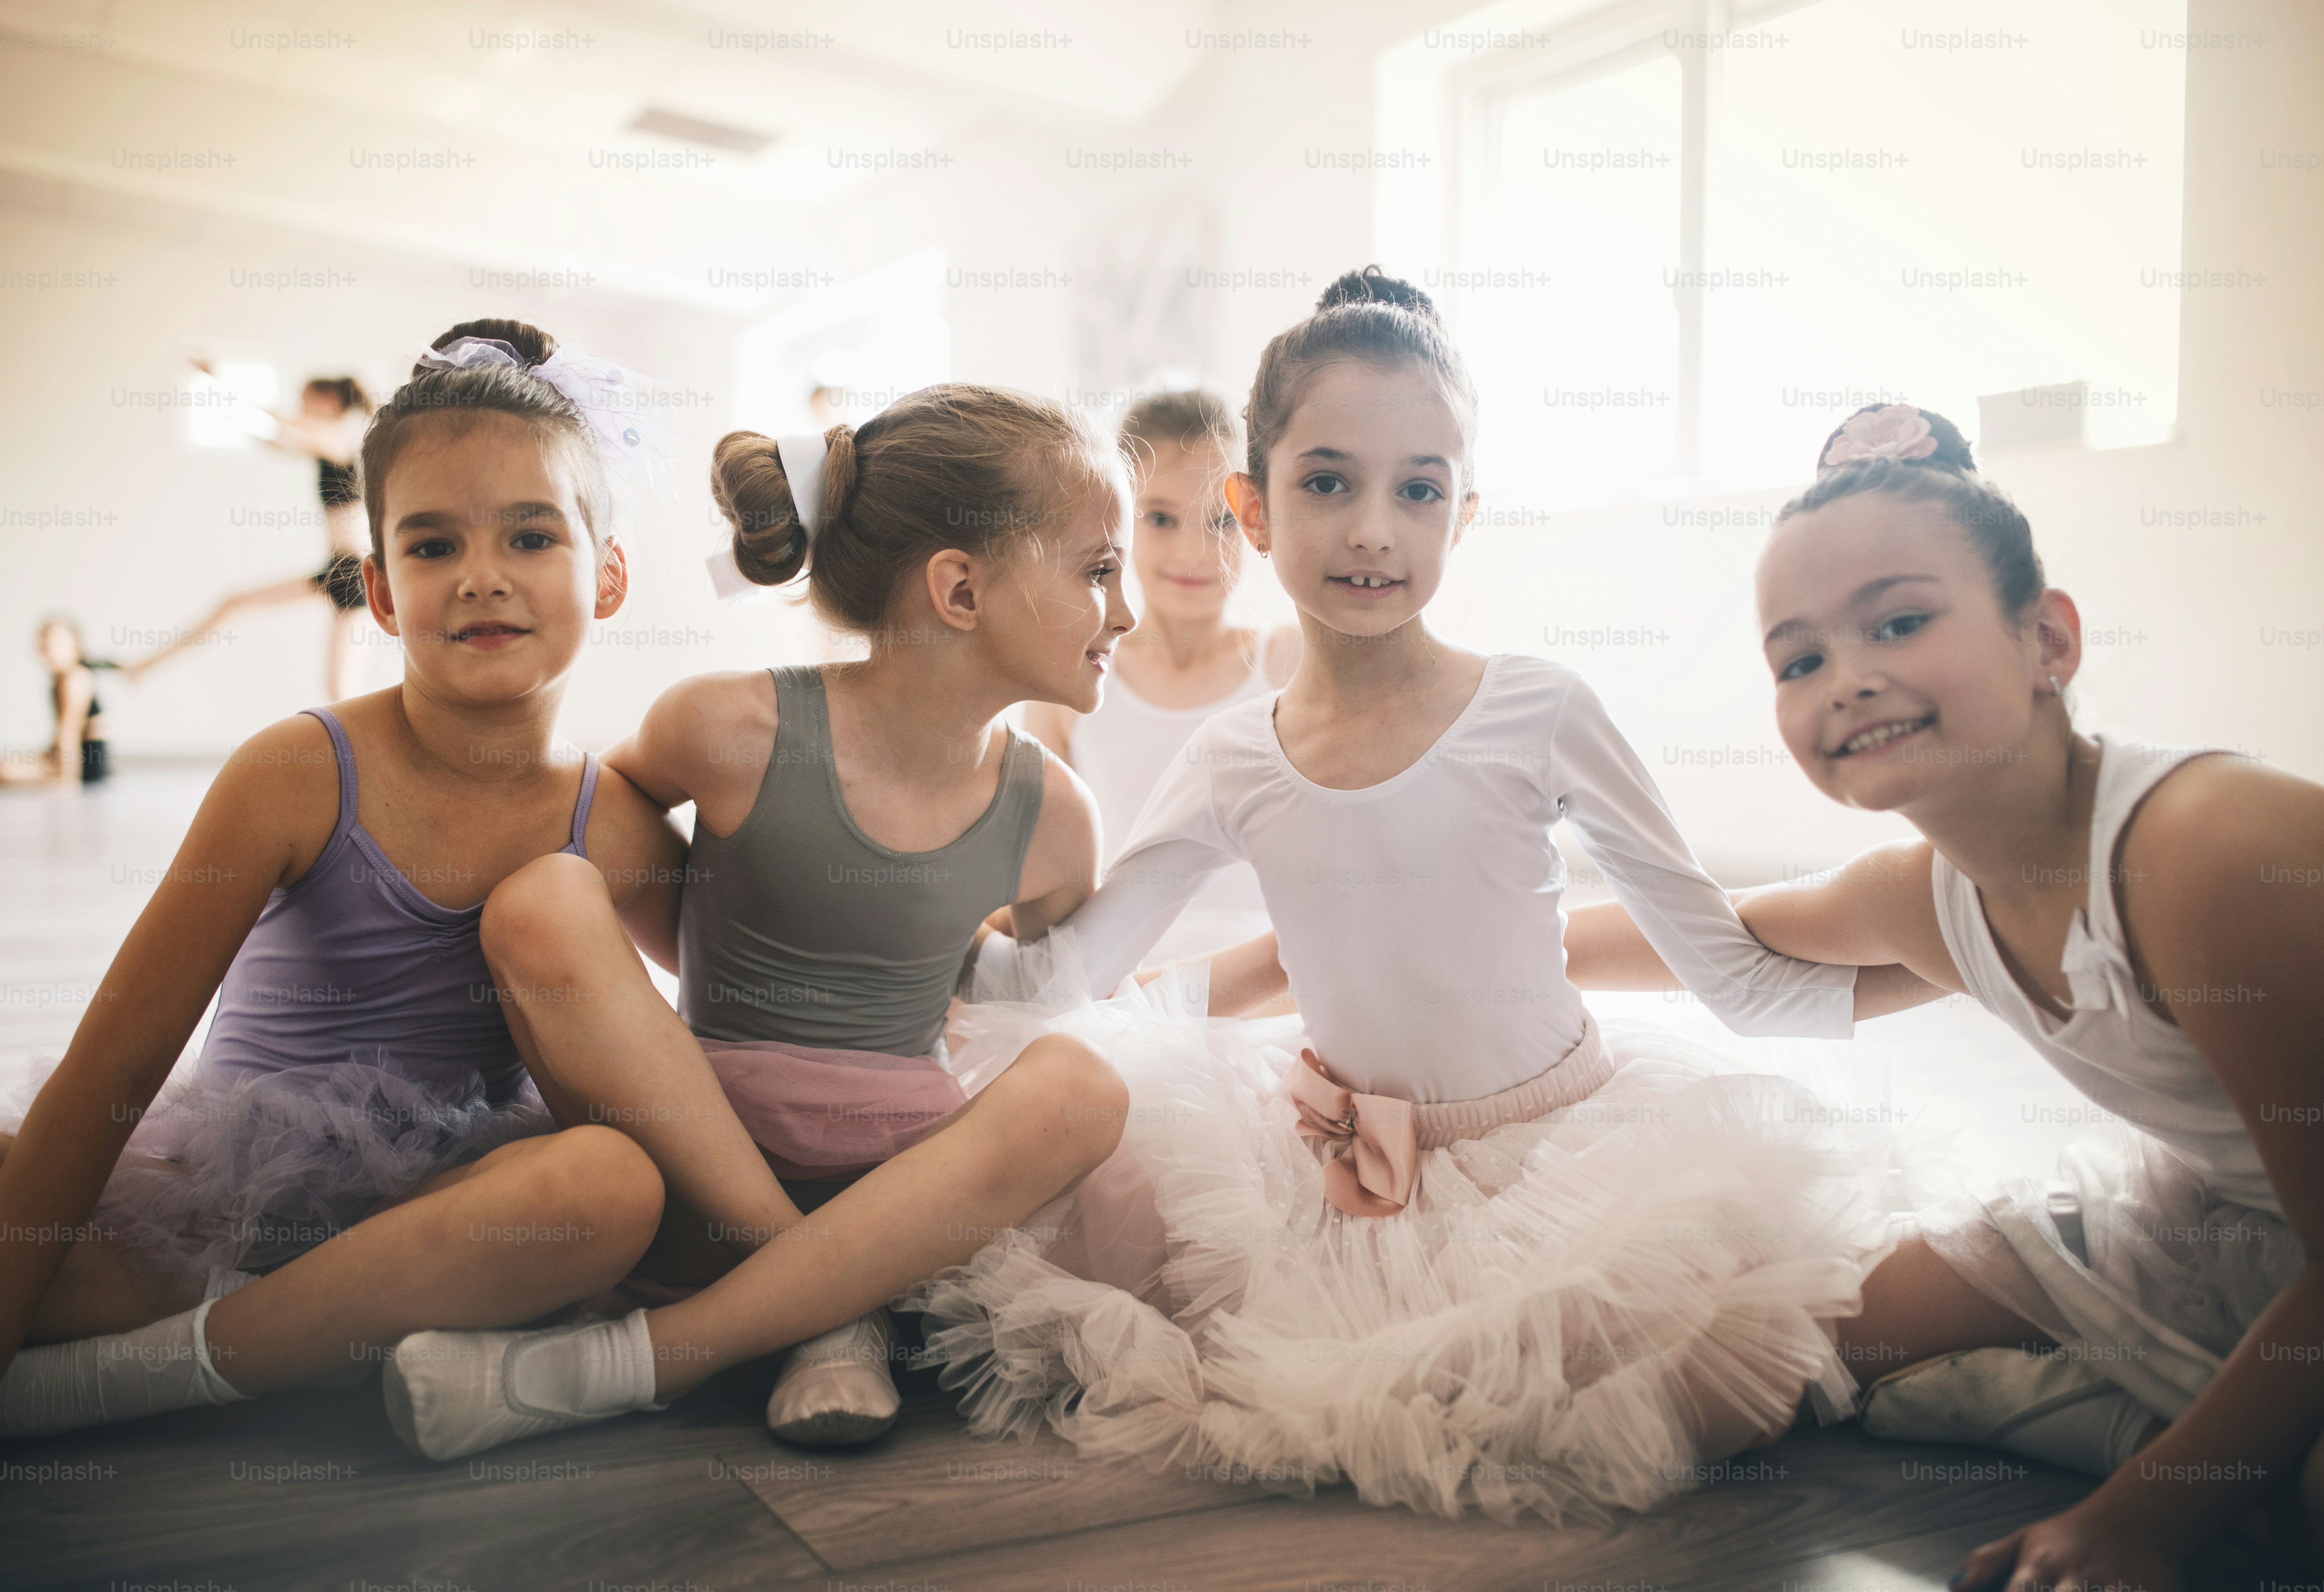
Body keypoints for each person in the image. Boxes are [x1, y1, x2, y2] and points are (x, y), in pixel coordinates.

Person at [933, 268, 1932, 1526]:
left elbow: (1732, 976)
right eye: (1329, 482)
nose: (1372, 533)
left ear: (1466, 514)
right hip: (1331, 1176)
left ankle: (1988, 1373)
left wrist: (1978, 953)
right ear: (1253, 505)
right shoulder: (1234, 756)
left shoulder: (1539, 708)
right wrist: (912, 945)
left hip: (1561, 1162)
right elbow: (1079, 976)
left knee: (1722, 1369)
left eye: (1419, 491)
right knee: (1239, 1338)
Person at [1567, 401, 2324, 1585]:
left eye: (1902, 622)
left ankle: (2147, 1442)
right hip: (2226, 1219)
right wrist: (1496, 953)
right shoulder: (1923, 893)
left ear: (2049, 642)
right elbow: (1721, 944)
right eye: (1800, 660)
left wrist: (2143, 1520)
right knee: (1771, 1352)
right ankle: (2111, 1408)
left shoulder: (2204, 852)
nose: (1850, 681)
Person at [0, 318, 684, 1441]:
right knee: (28, 1213)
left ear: (609, 574)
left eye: (531, 536)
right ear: (379, 594)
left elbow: (744, 1002)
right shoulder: (297, 771)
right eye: (432, 548)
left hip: (439, 1209)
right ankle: (287, 1328)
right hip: (214, 1197)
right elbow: (114, 1064)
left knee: (608, 1187)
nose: (482, 577)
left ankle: (174, 1354)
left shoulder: (610, 815)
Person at [375, 384, 1138, 1462]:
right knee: (541, 895)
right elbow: (613, 877)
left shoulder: (1055, 817)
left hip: (899, 1207)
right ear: (959, 590)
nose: (1127, 608)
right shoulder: (727, 727)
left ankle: (649, 1360)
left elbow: (1022, 990)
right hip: (703, 1169)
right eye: (1099, 569)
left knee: (1083, 1087)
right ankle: (821, 1309)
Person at [1019, 389, 1296, 965]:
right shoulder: (1068, 681)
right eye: (1162, 519)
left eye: (1221, 520)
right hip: (1120, 983)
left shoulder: (1295, 666)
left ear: (1255, 516)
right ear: (1117, 518)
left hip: (1276, 980)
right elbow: (1037, 882)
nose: (1196, 551)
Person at [147, 365, 378, 701]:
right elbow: (276, 441)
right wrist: (226, 412)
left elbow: (283, 425)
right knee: (234, 603)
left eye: (305, 401)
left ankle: (377, 751)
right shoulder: (323, 443)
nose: (300, 408)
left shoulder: (332, 437)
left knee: (340, 689)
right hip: (335, 572)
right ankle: (144, 669)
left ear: (328, 403)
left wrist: (219, 380)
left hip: (351, 575)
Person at [0, 617, 118, 787]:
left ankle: (59, 775)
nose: (46, 643)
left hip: (84, 768)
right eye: (43, 637)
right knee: (0, 766)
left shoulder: (74, 679)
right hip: (73, 761)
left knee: (1, 771)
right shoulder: (62, 679)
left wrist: (67, 778)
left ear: (75, 646)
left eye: (55, 638)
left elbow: (69, 732)